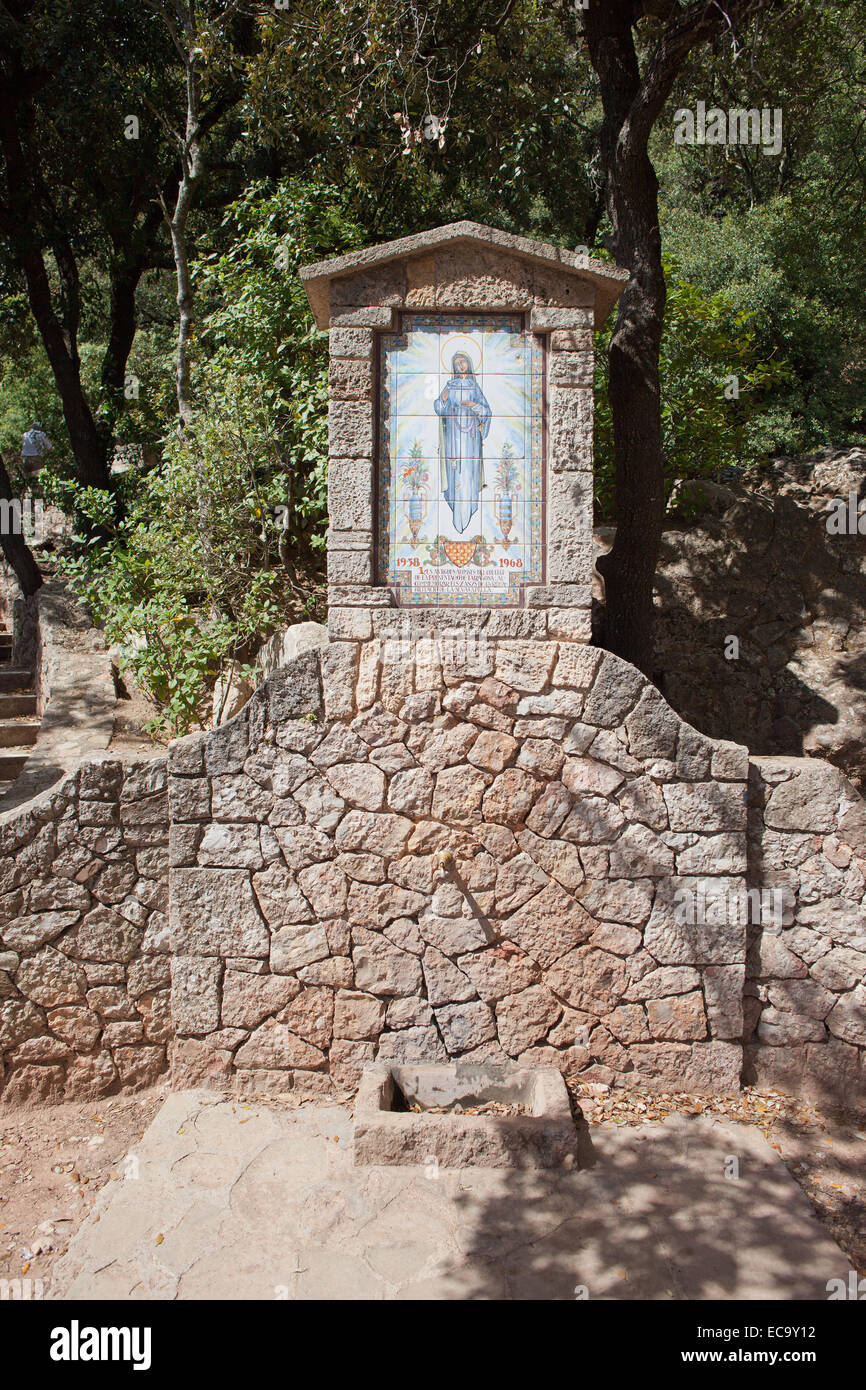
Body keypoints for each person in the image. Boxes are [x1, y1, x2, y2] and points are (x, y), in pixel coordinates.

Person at [434, 352, 491, 532]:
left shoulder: (474, 387)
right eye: (457, 363)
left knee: (467, 471)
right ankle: (456, 511)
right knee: (454, 472)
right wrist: (442, 400)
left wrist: (472, 405)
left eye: (463, 361)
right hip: (453, 435)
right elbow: (439, 408)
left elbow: (486, 411)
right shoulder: (449, 386)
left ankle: (468, 509)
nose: (460, 365)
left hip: (470, 437)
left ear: (469, 363)